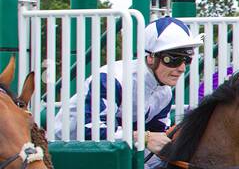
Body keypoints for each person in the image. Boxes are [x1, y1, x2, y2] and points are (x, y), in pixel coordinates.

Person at [53, 16, 199, 156]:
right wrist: (143, 137)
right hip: (67, 150)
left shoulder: (165, 93)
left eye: (186, 60)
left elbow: (158, 136)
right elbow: (88, 129)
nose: (181, 68)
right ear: (150, 57)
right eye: (173, 59)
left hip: (111, 154)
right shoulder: (112, 78)